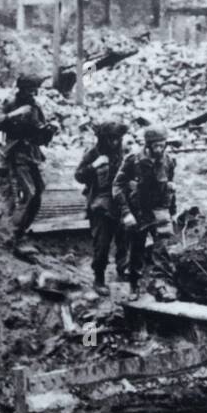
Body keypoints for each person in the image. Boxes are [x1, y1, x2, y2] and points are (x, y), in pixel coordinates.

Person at [0, 74, 54, 247]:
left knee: (39, 192)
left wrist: (49, 131)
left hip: (32, 153)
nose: (33, 93)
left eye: (35, 90)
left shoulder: (35, 106)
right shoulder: (10, 103)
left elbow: (41, 136)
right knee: (29, 193)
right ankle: (13, 234)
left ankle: (22, 231)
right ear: (22, 89)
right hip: (15, 153)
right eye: (30, 89)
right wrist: (14, 114)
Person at [113, 126, 177, 296]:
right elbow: (117, 185)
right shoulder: (133, 160)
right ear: (147, 145)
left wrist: (172, 210)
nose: (159, 149)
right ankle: (134, 284)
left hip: (160, 210)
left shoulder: (168, 161)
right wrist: (126, 212)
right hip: (139, 211)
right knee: (137, 249)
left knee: (161, 249)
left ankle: (160, 285)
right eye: (155, 146)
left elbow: (170, 185)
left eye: (162, 145)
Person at [75, 119, 130, 288]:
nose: (114, 142)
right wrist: (94, 166)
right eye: (110, 138)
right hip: (100, 203)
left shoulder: (125, 153)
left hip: (121, 201)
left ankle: (123, 269)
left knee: (124, 239)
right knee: (102, 243)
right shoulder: (93, 153)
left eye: (117, 138)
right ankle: (99, 277)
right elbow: (79, 175)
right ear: (103, 138)